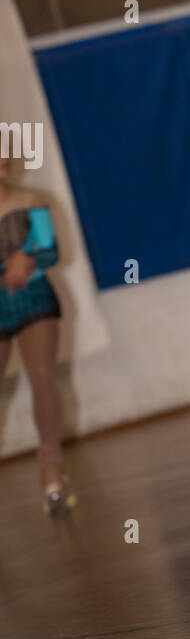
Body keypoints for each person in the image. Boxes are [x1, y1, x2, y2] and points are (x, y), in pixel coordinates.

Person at [0, 149, 75, 515]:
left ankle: (52, 471)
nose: (2, 157)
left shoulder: (30, 201)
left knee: (43, 378)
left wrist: (27, 258)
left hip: (34, 298)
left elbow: (51, 252)